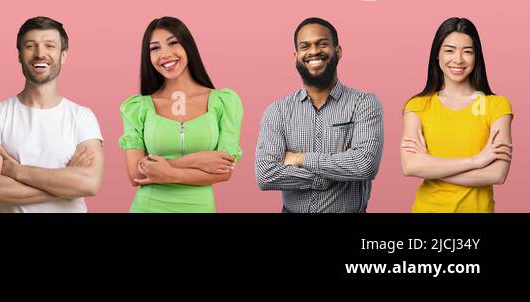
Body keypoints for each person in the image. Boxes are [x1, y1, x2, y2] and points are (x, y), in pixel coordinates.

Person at [0, 16, 103, 213]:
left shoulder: (83, 117)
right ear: (19, 55)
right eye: (30, 46)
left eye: (49, 46)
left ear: (63, 55)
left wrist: (17, 171)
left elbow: (91, 184)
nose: (40, 54)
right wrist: (66, 183)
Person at [255, 17, 384, 213]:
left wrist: (300, 159)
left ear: (338, 51)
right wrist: (326, 176)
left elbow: (365, 165)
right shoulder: (277, 112)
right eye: (305, 46)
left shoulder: (363, 103)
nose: (314, 51)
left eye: (322, 44)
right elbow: (266, 175)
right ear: (296, 55)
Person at [119, 16, 243, 213]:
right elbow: (136, 175)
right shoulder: (137, 107)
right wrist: (196, 160)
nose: (165, 54)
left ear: (188, 46)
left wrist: (169, 173)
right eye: (155, 48)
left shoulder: (224, 102)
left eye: (173, 43)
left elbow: (224, 171)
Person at [400, 17, 511, 213]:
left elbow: (497, 174)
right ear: (437, 55)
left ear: (476, 57)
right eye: (449, 50)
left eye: (467, 51)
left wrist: (430, 166)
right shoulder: (418, 105)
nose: (458, 60)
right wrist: (476, 161)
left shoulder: (497, 106)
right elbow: (410, 166)